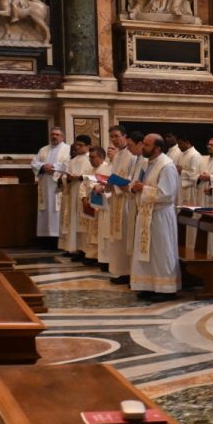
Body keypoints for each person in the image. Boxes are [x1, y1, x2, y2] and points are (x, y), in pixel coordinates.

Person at [129, 133, 180, 301]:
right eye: (143, 143)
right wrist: (135, 187)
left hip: (160, 215)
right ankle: (149, 285)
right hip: (146, 213)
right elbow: (138, 183)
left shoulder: (167, 166)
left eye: (146, 145)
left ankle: (166, 289)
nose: (142, 147)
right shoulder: (146, 163)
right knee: (147, 252)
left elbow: (166, 194)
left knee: (161, 252)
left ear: (157, 148)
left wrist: (143, 189)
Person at [102, 126, 137, 283]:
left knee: (126, 237)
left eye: (116, 136)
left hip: (127, 201)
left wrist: (117, 184)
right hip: (117, 200)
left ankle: (129, 272)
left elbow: (132, 178)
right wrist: (108, 183)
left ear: (125, 136)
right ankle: (120, 271)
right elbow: (114, 175)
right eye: (111, 137)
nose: (114, 140)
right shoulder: (117, 156)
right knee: (117, 238)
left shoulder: (132, 155)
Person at [31, 127, 69, 244]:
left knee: (58, 211)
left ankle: (58, 240)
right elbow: (34, 163)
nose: (54, 137)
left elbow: (68, 164)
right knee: (45, 211)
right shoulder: (43, 149)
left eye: (57, 134)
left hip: (58, 186)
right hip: (44, 185)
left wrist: (53, 167)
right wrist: (43, 166)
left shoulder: (67, 149)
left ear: (62, 137)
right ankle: (46, 239)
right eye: (52, 134)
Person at [59, 135, 92, 260]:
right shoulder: (72, 161)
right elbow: (64, 176)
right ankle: (75, 248)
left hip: (85, 194)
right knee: (74, 220)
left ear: (88, 146)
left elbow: (96, 174)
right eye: (76, 145)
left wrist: (80, 177)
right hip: (73, 193)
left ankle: (85, 249)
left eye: (80, 145)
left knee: (84, 221)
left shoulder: (92, 158)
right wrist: (67, 178)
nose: (77, 147)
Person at [81, 146, 110, 265]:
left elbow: (107, 186)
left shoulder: (107, 169)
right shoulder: (89, 171)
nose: (91, 160)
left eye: (93, 157)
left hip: (101, 206)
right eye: (89, 158)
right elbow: (83, 185)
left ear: (102, 157)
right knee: (91, 232)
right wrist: (83, 197)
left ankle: (100, 257)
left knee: (100, 233)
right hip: (90, 205)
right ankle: (91, 255)